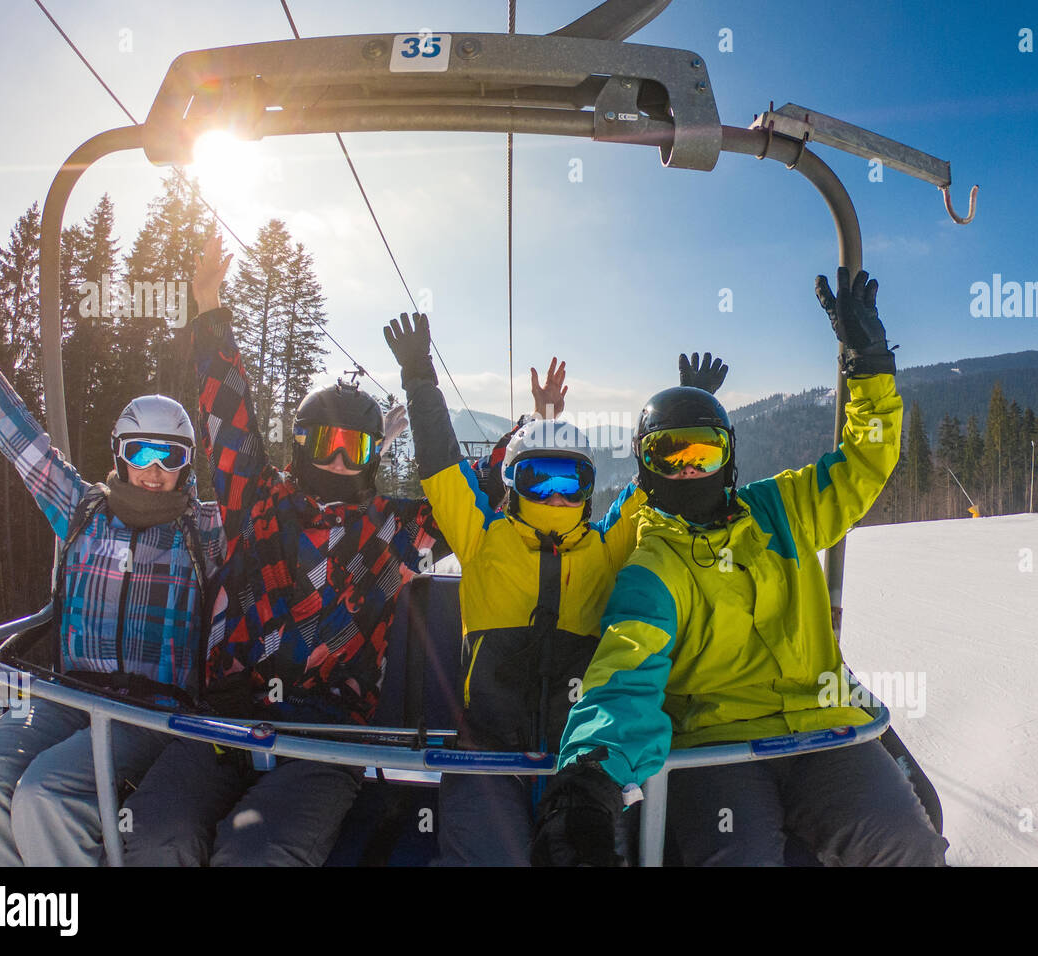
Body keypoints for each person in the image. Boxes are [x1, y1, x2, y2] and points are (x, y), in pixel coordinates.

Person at [532, 268, 949, 866]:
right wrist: (590, 776)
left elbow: (865, 460)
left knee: (905, 843)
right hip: (716, 747)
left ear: (729, 459)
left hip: (822, 728)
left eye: (703, 454)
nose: (688, 472)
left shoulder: (783, 509)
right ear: (646, 470)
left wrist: (871, 366)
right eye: (668, 458)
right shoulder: (655, 563)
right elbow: (625, 672)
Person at [121, 235, 449, 866]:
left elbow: (468, 502)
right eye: (324, 443)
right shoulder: (259, 501)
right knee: (157, 829)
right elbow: (229, 419)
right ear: (301, 445)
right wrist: (211, 309)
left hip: (325, 734)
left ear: (373, 459)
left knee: (258, 852)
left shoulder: (390, 530)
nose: (335, 461)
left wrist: (440, 393)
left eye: (353, 450)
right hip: (227, 715)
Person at [386, 313, 726, 865]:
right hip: (489, 753)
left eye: (571, 482)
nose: (557, 495)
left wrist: (689, 405)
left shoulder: (603, 547)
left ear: (589, 491)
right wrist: (420, 378)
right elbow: (443, 466)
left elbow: (652, 484)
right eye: (538, 479)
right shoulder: (483, 539)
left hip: (579, 762)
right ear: (513, 485)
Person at [0, 287, 225, 866]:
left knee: (45, 794)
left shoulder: (202, 531)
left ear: (187, 464)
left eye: (170, 457)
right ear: (120, 454)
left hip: (150, 711)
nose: (155, 471)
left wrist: (342, 472)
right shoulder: (82, 511)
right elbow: (28, 448)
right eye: (142, 453)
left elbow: (263, 505)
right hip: (68, 692)